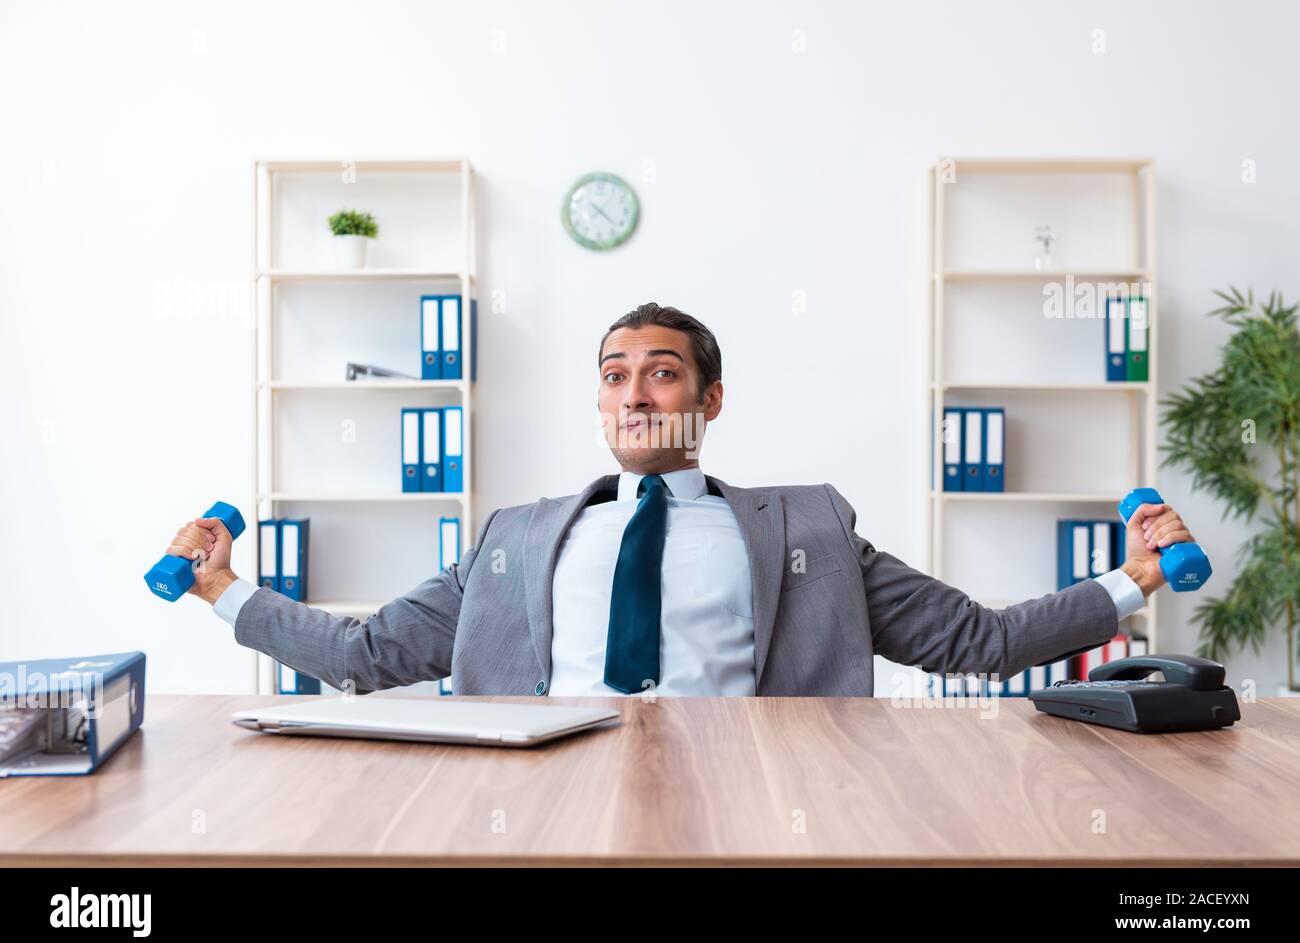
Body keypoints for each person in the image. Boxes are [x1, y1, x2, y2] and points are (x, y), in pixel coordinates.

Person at [163, 303, 1197, 697]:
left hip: (755, 804)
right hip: (540, 803)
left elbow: (975, 639)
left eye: (660, 372)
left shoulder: (807, 529)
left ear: (707, 400)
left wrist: (1132, 580)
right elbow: (365, 656)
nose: (633, 392)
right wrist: (221, 590)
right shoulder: (514, 538)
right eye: (614, 374)